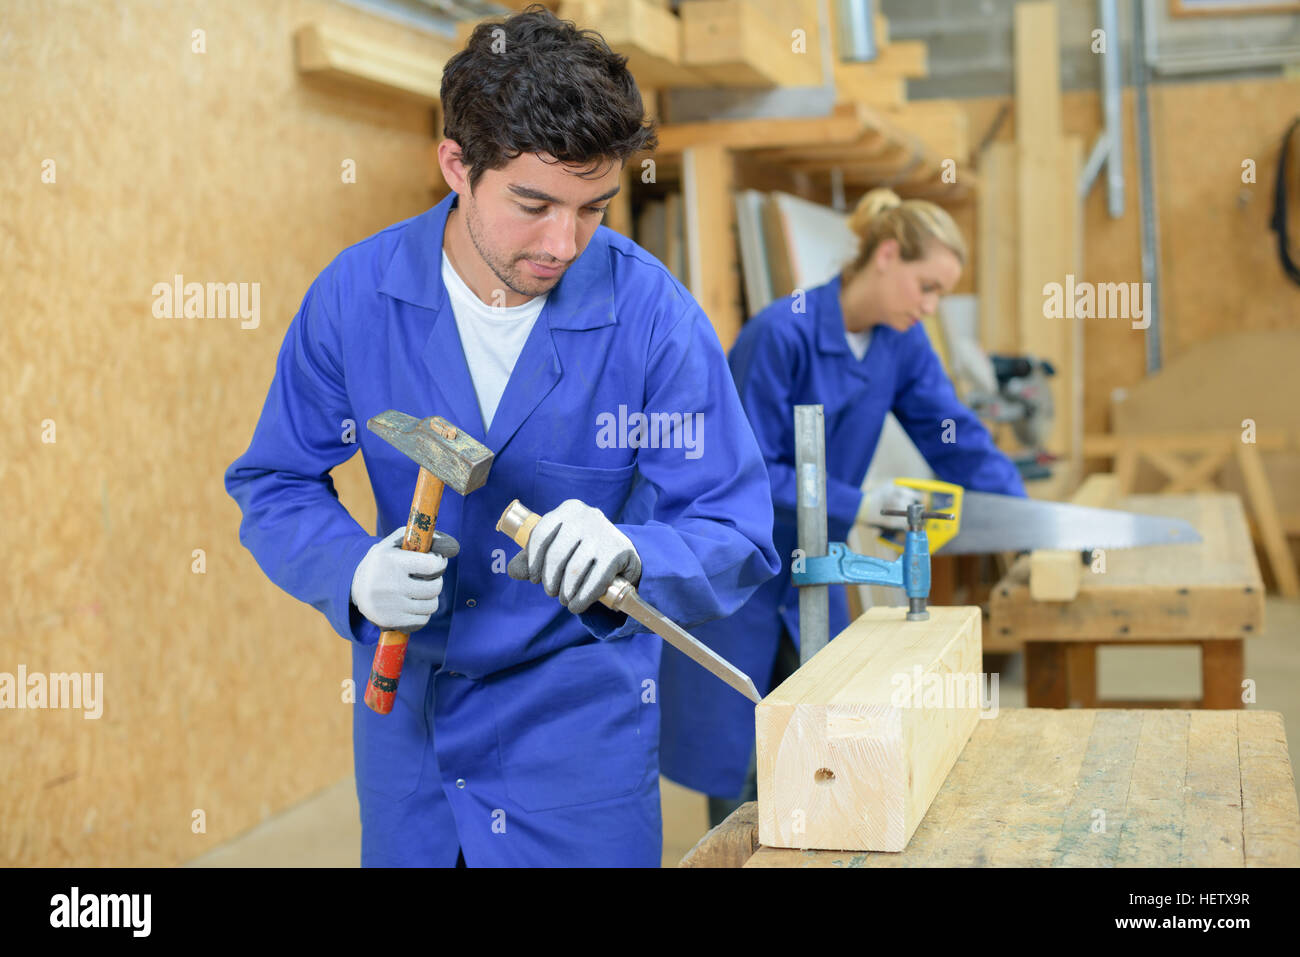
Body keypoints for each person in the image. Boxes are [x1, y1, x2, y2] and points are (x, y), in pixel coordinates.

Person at [223, 8, 779, 867]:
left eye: (595, 206)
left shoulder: (652, 318)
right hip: (409, 731)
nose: (563, 243)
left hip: (577, 744)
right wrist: (352, 570)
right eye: (533, 203)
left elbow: (735, 527)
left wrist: (635, 552)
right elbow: (276, 481)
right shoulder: (354, 298)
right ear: (456, 165)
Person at [658, 188, 1027, 826]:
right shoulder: (781, 332)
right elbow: (742, 476)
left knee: (819, 747)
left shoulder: (901, 344)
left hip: (814, 567)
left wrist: (1022, 518)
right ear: (886, 255)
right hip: (743, 571)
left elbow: (956, 434)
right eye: (927, 286)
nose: (931, 306)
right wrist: (858, 502)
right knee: (743, 766)